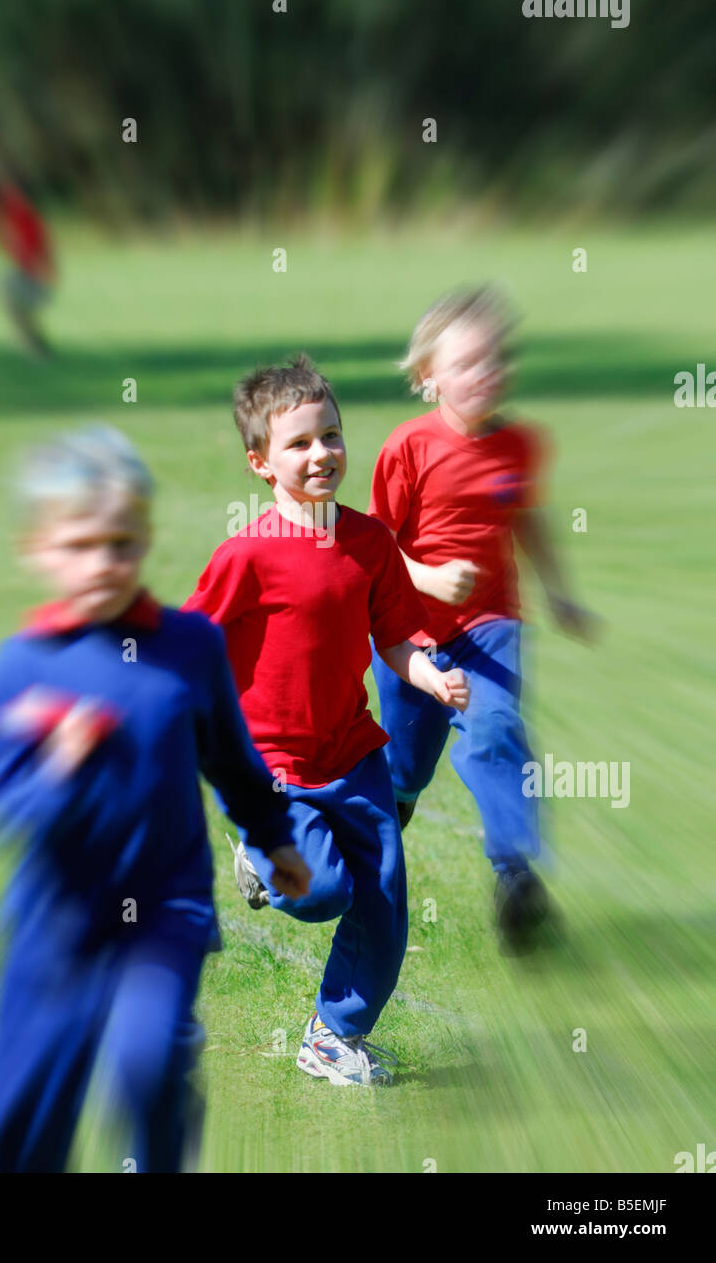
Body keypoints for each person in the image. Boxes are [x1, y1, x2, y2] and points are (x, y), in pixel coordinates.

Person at [0, 426, 309, 1171]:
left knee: (148, 1066)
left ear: (145, 538)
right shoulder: (17, 670)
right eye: (78, 544)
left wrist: (274, 838)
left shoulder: (189, 647)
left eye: (120, 542)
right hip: (55, 925)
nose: (102, 563)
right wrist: (55, 769)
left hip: (163, 911)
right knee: (17, 1125)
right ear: (36, 547)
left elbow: (232, 759)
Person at [182, 357, 469, 1086]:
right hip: (270, 769)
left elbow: (397, 638)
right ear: (261, 463)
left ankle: (333, 1035)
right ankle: (260, 858)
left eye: (332, 436)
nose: (322, 455)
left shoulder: (372, 545)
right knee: (322, 893)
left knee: (382, 896)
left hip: (353, 752)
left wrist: (430, 674)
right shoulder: (246, 555)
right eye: (300, 444)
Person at [368, 286, 596, 953]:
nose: (485, 374)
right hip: (408, 636)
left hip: (491, 626)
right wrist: (430, 578)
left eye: (496, 360)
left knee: (497, 727)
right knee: (404, 773)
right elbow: (376, 551)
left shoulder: (518, 444)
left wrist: (561, 593)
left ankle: (517, 880)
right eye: (466, 363)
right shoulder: (407, 449)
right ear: (427, 376)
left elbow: (527, 518)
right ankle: (340, 857)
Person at [0, 178, 56, 360]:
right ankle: (33, 344)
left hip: (37, 277)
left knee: (8, 296)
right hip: (30, 275)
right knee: (11, 301)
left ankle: (33, 345)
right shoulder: (19, 219)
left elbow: (35, 255)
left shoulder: (29, 220)